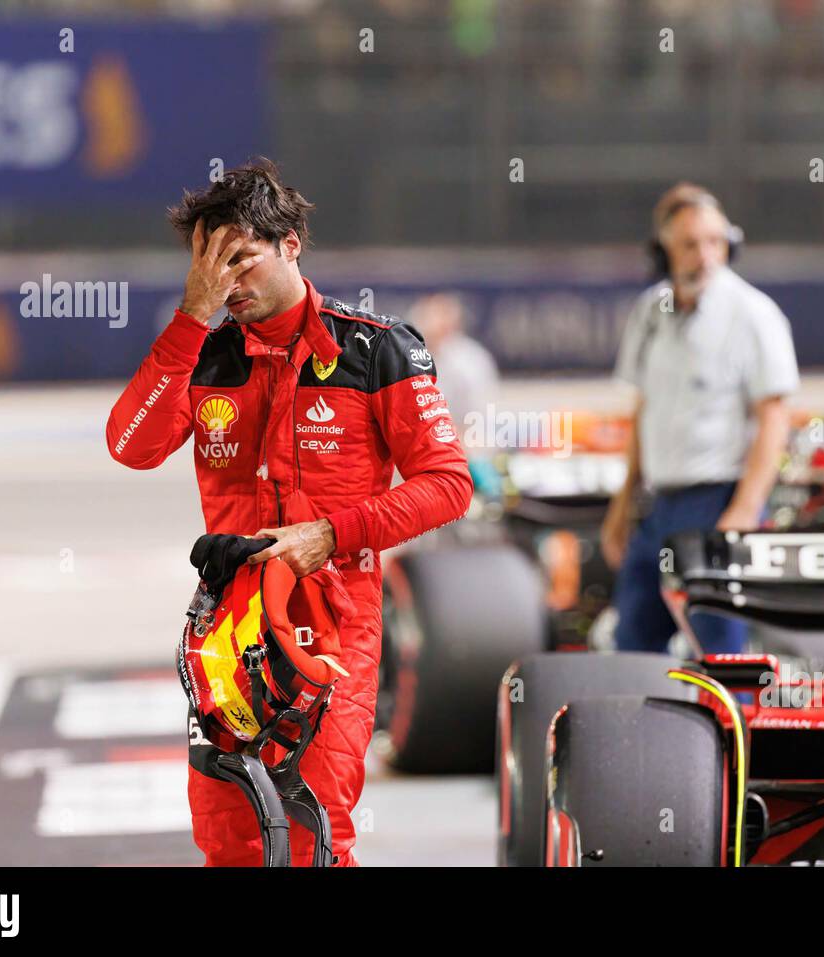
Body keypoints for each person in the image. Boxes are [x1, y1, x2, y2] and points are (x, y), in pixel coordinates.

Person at [106, 158, 472, 866]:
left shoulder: (378, 350)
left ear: (291, 245)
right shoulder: (202, 356)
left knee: (315, 827)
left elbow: (449, 484)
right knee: (228, 835)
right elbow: (130, 444)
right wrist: (189, 315)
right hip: (225, 632)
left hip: (334, 630)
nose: (226, 285)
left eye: (240, 260)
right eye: (209, 267)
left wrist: (332, 532)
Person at [601, 182, 799, 654]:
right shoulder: (651, 313)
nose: (707, 254)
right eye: (691, 244)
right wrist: (622, 505)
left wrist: (745, 512)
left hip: (718, 502)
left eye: (717, 241)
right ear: (662, 250)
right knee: (632, 646)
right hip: (659, 506)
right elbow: (644, 411)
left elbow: (775, 418)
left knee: (723, 655)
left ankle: (736, 732)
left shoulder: (752, 314)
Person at [408, 291, 498, 432]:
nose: (433, 324)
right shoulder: (405, 357)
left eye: (440, 316)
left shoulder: (471, 361)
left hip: (463, 442)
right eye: (426, 317)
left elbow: (479, 419)